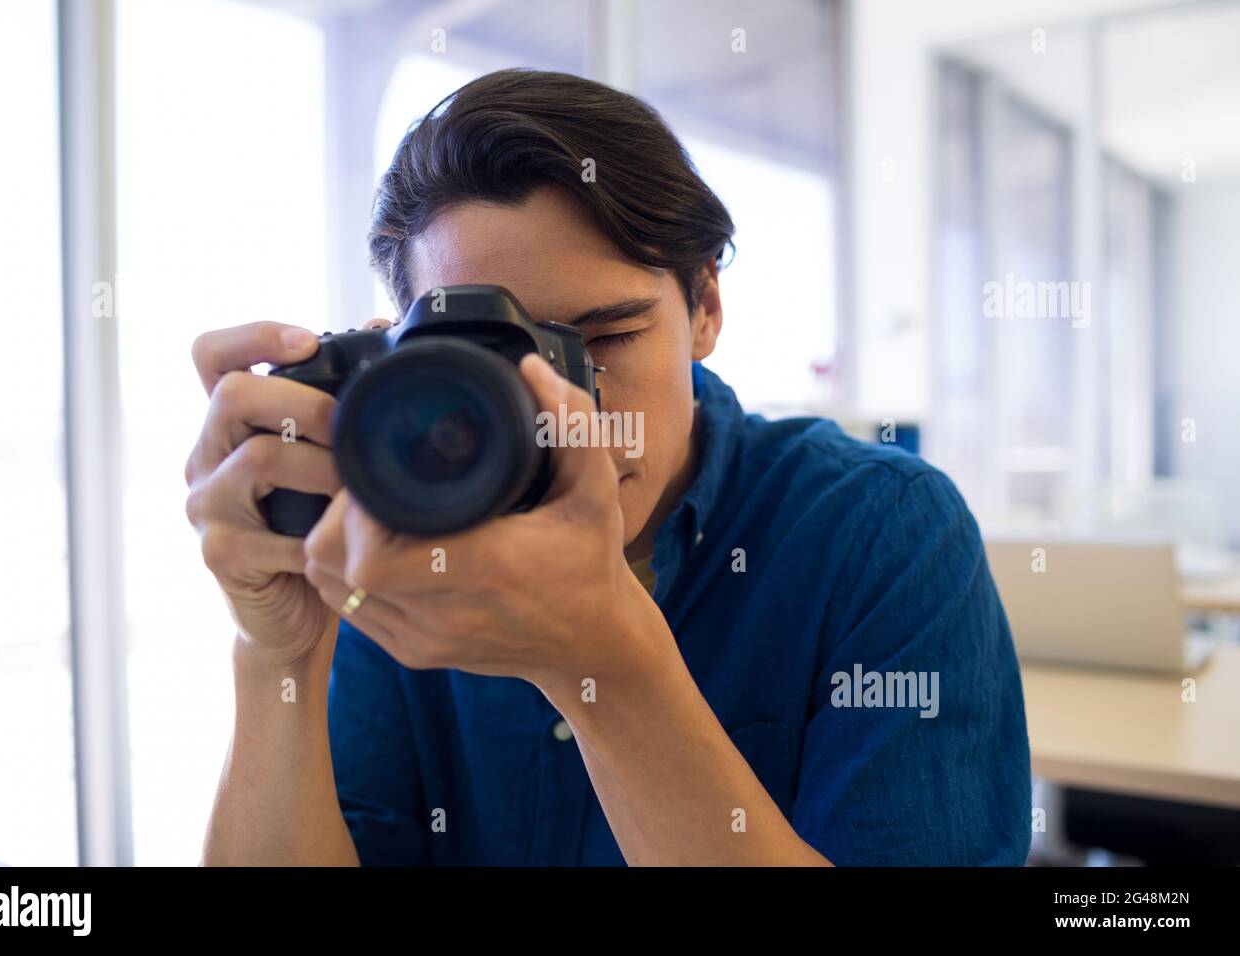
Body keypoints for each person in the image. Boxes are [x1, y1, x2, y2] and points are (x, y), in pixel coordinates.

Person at [185, 68, 1030, 866]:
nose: (567, 411)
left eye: (604, 340)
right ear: (404, 356)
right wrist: (277, 658)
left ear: (705, 307)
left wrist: (606, 667)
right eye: (491, 358)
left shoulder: (879, 531)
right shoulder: (394, 544)